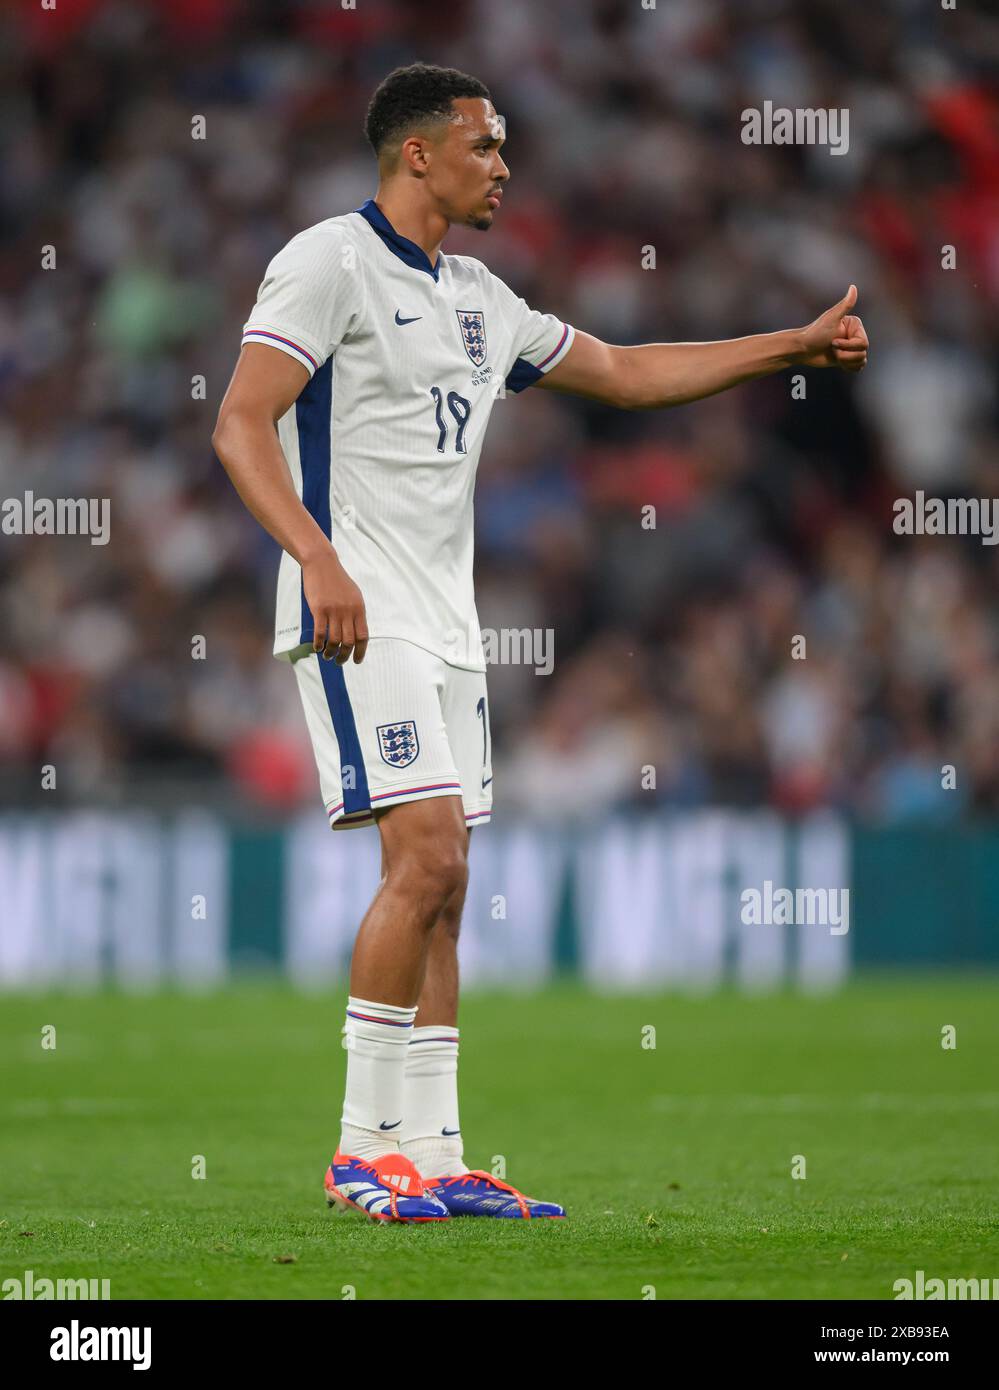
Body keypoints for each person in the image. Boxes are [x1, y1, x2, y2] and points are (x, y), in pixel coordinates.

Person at [212, 62, 869, 1223]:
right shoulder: (329, 261)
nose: (504, 167)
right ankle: (361, 1150)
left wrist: (789, 350)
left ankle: (437, 1152)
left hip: (449, 627)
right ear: (418, 152)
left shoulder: (481, 297)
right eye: (484, 146)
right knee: (424, 857)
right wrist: (315, 555)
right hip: (358, 609)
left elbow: (622, 371)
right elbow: (239, 421)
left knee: (448, 882)